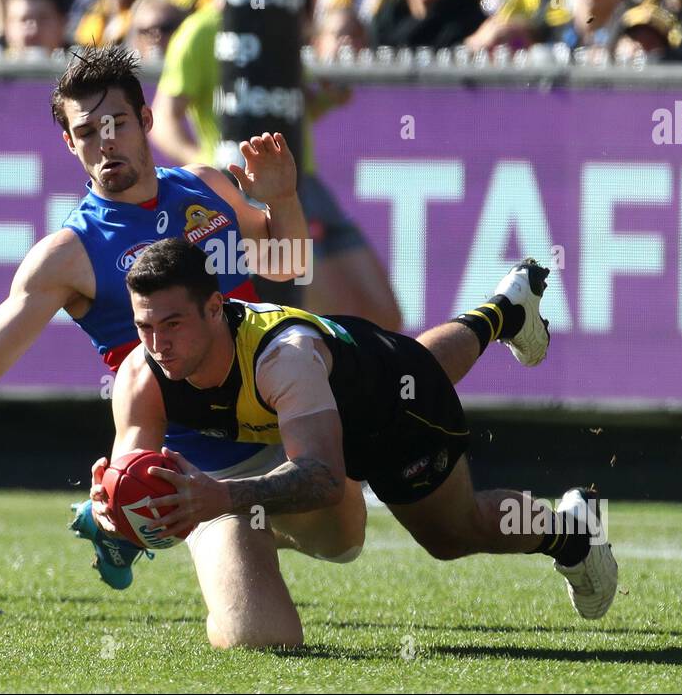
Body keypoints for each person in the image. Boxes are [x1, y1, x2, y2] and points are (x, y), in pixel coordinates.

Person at [0, 46, 334, 592]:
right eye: (87, 132)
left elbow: (286, 269)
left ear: (146, 121)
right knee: (258, 630)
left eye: (117, 124)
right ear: (69, 144)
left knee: (353, 528)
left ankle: (114, 516)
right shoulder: (68, 253)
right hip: (192, 468)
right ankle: (123, 510)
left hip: (274, 416)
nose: (105, 142)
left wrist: (284, 200)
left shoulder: (207, 187)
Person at [86, 238, 617, 649]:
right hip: (357, 369)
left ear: (213, 308)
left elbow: (321, 477)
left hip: (392, 417)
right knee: (413, 363)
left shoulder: (281, 359)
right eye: (145, 326)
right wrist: (115, 501)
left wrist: (221, 498)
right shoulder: (143, 373)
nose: (158, 344)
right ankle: (504, 311)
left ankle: (570, 534)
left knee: (453, 534)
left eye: (172, 323)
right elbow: (136, 470)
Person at [157, 0, 405, 331]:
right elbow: (163, 119)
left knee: (385, 317)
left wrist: (325, 101)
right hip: (250, 196)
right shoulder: (199, 33)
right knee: (330, 322)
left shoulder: (276, 27)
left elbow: (293, 112)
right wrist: (200, 162)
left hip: (303, 183)